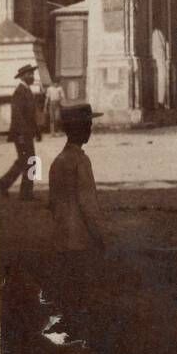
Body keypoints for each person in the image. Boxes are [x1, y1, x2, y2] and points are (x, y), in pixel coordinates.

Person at [48, 103, 105, 340]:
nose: (91, 129)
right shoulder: (82, 162)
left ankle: (69, 330)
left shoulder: (57, 161)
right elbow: (88, 205)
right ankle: (80, 335)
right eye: (88, 124)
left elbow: (53, 204)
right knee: (82, 289)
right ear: (80, 129)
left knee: (68, 288)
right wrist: (99, 237)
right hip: (81, 239)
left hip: (62, 238)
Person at [0, 63, 40, 201]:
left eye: (33, 74)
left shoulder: (27, 90)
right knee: (29, 161)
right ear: (23, 76)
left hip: (26, 134)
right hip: (21, 134)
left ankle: (4, 184)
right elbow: (17, 116)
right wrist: (22, 135)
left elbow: (31, 115)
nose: (32, 76)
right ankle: (25, 194)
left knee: (25, 161)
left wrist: (37, 132)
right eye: (29, 74)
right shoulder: (19, 92)